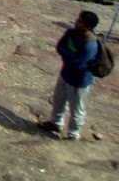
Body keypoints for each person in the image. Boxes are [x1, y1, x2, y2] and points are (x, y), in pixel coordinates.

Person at [40, 10, 100, 140]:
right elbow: (60, 46)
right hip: (65, 74)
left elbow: (78, 63)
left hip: (79, 82)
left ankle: (73, 134)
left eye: (81, 22)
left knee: (76, 109)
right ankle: (55, 123)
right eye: (78, 20)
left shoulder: (90, 44)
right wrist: (68, 56)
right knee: (58, 100)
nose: (77, 22)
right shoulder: (71, 32)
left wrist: (66, 55)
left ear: (88, 27)